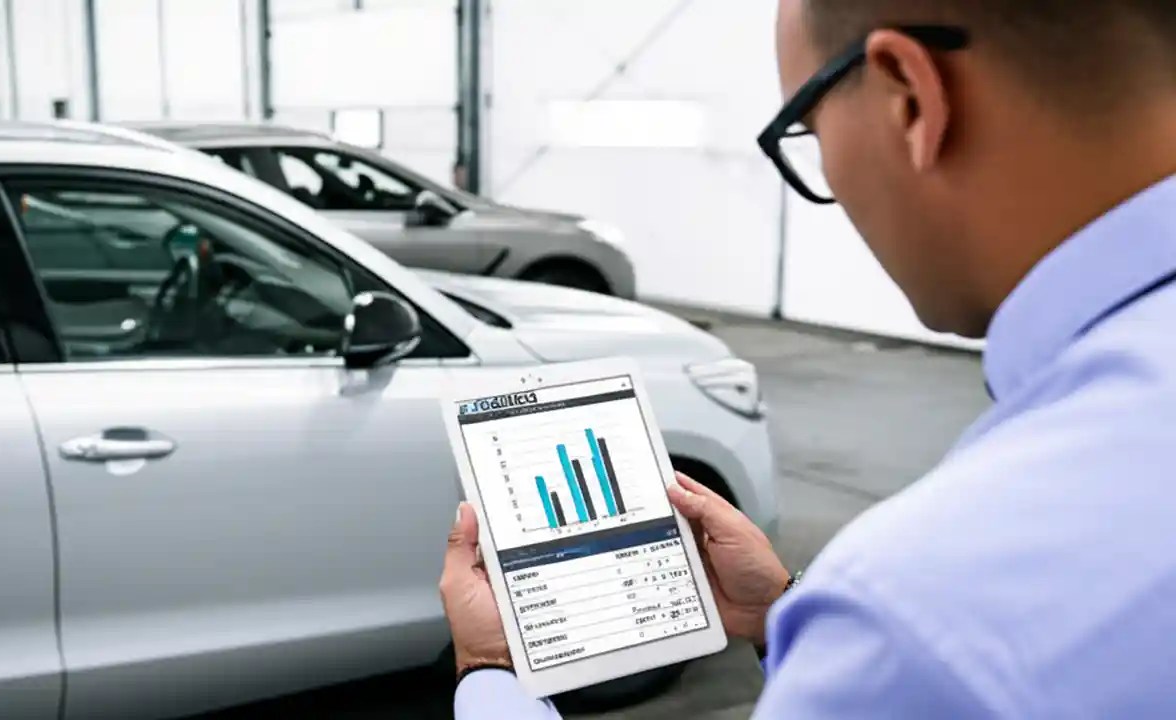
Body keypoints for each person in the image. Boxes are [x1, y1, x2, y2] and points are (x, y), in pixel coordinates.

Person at [440, 0, 1176, 717]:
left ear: (910, 97)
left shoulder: (922, 620)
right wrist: (781, 612)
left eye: (808, 127)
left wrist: (490, 672)